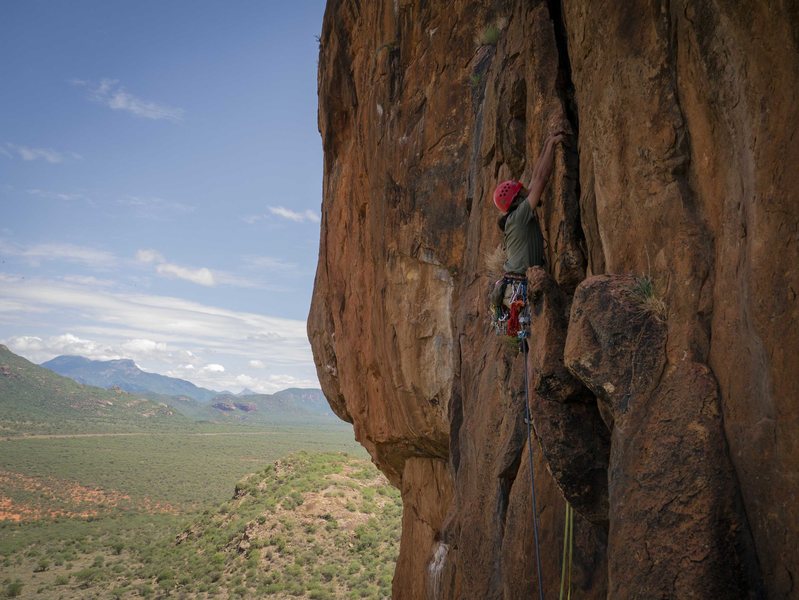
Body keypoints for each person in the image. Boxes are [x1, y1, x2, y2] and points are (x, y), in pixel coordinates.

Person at [493, 130, 565, 275]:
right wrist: (552, 144)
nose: (526, 188)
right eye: (521, 189)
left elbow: (535, 176)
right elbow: (542, 179)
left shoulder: (517, 213)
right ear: (517, 198)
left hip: (517, 283)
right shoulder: (519, 217)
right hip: (520, 286)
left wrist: (547, 144)